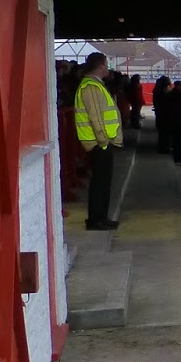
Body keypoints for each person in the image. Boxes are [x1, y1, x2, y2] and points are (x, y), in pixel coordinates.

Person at [73, 52, 123, 230]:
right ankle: (96, 219)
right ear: (100, 66)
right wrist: (103, 142)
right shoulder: (91, 87)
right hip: (98, 143)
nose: (108, 68)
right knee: (100, 182)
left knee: (103, 181)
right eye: (106, 65)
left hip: (99, 142)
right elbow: (95, 117)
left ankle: (101, 217)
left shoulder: (94, 85)